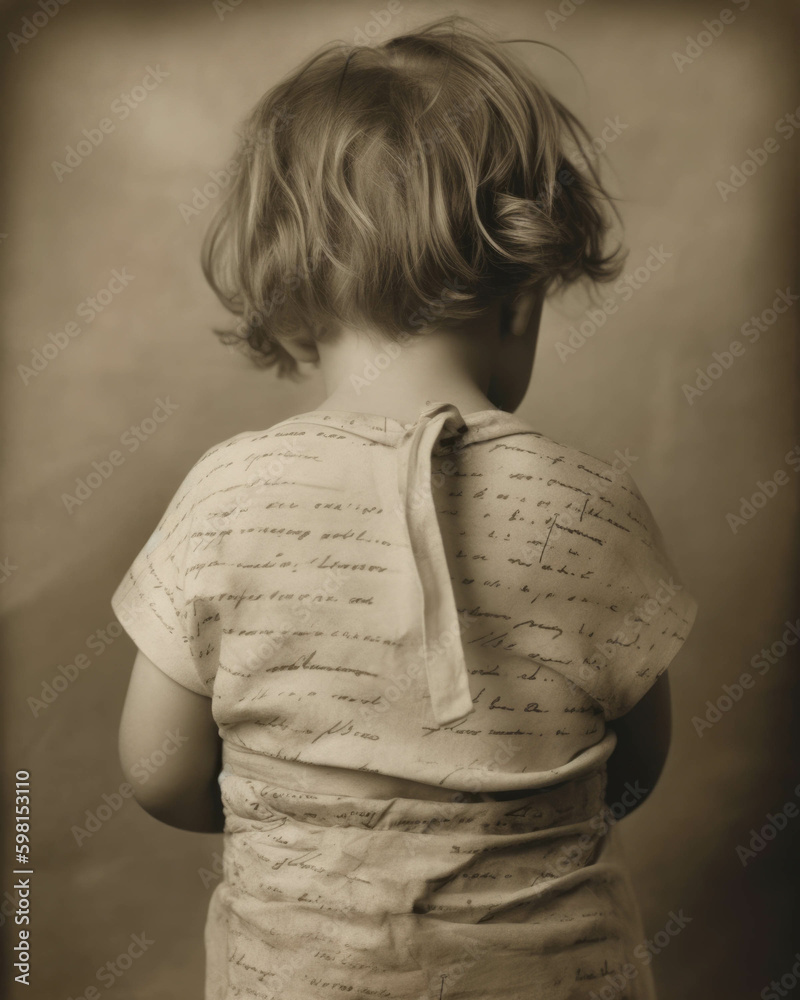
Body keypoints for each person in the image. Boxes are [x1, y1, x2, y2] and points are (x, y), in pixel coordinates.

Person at [111, 15, 698, 999]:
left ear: (289, 292)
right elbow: (632, 769)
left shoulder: (228, 491)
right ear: (521, 297)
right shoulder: (594, 505)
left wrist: (311, 830)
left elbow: (159, 770)